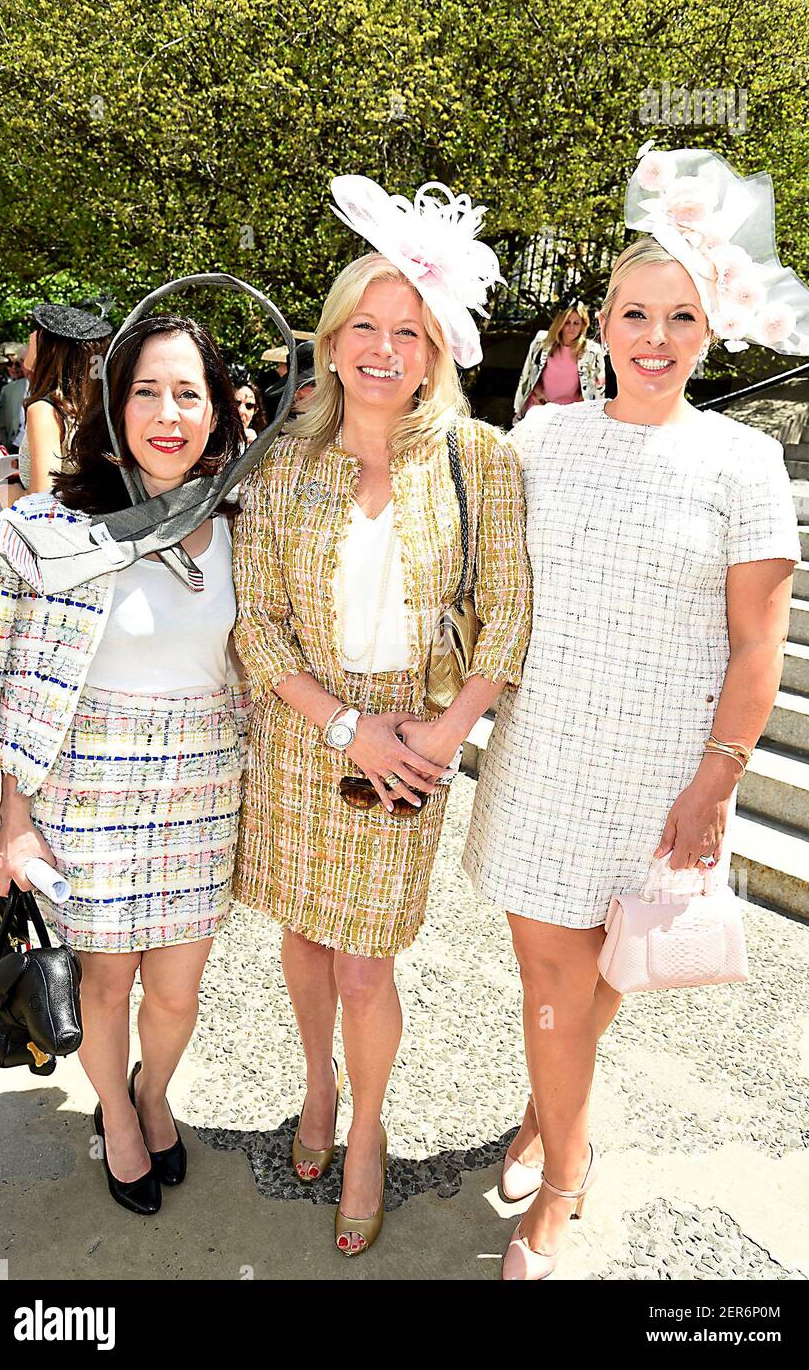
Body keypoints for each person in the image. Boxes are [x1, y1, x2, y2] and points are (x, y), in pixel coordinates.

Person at [462, 141, 809, 1280]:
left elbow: (759, 641)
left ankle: (544, 1116)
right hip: (542, 763)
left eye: (678, 317)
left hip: (660, 778)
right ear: (599, 325)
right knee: (550, 987)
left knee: (595, 984)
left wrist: (718, 778)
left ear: (707, 332)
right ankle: (563, 1183)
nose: (654, 338)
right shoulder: (539, 440)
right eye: (634, 313)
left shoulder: (743, 462)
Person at [232, 175, 532, 1258]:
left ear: (435, 351)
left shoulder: (480, 459)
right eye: (366, 324)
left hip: (414, 750)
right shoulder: (283, 463)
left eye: (408, 330)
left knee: (368, 962)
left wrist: (438, 742)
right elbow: (256, 627)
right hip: (307, 743)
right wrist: (341, 726)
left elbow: (507, 621)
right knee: (305, 939)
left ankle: (367, 1130)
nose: (384, 347)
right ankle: (313, 1088)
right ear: (333, 339)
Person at [0, 311, 252, 1216]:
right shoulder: (45, 528)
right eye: (146, 391)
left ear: (218, 414)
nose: (167, 413)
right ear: (112, 401)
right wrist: (12, 821)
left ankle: (154, 1094)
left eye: (189, 394)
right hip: (81, 790)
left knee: (177, 987)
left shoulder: (248, 522)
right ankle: (117, 1120)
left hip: (201, 785)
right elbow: (2, 679)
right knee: (104, 982)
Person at [18, 302, 113, 493]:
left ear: (50, 348)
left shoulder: (44, 411)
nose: (31, 336)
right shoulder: (97, 405)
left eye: (36, 331)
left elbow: (41, 499)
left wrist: (6, 493)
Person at [513, 299, 606, 423]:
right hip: (539, 408)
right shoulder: (541, 342)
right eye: (567, 322)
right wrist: (519, 407)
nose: (571, 328)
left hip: (571, 415)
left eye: (576, 323)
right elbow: (527, 375)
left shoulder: (592, 351)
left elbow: (598, 389)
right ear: (560, 323)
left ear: (583, 324)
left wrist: (594, 420)